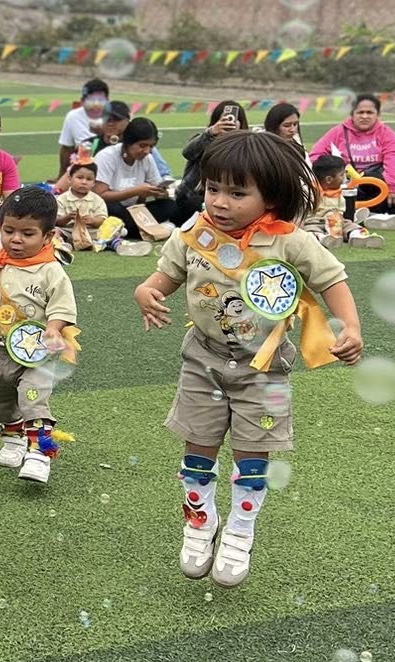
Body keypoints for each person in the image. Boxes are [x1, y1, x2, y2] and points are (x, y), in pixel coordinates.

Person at [133, 130, 364, 587]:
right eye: (213, 188)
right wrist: (146, 293)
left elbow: (331, 280)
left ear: (270, 196)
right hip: (203, 360)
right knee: (197, 448)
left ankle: (240, 529)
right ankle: (200, 520)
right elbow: (162, 279)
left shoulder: (290, 241)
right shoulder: (192, 235)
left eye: (238, 193)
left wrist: (351, 326)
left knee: (252, 455)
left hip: (264, 366)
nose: (220, 202)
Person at [0, 185, 79, 485]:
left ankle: (40, 451)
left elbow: (62, 307)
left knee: (33, 396)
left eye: (27, 233)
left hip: (39, 353)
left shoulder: (51, 271)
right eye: (9, 230)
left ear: (48, 237)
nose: (16, 239)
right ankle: (13, 435)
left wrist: (53, 327)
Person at [309, 93, 395, 214]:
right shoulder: (338, 132)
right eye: (360, 112)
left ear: (378, 114)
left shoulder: (386, 132)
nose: (364, 116)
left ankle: (361, 211)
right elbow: (316, 155)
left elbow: (394, 158)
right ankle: (393, 210)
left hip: (378, 181)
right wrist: (332, 172)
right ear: (352, 114)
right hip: (348, 181)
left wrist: (393, 187)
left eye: (369, 112)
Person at [95, 116, 182, 242]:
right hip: (112, 210)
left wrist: (160, 192)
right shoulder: (107, 157)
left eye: (151, 146)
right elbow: (99, 195)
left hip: (135, 211)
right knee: (113, 208)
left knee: (170, 206)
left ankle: (133, 230)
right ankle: (152, 229)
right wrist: (135, 191)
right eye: (142, 145)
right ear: (129, 142)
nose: (147, 151)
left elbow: (155, 185)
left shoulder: (148, 159)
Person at [173, 101, 248, 217]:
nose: (229, 122)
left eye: (234, 119)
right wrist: (211, 133)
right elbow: (188, 153)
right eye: (224, 119)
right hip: (195, 195)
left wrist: (236, 138)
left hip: (229, 196)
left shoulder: (247, 145)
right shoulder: (204, 139)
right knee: (195, 205)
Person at [54, 148, 111, 250]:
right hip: (69, 230)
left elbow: (102, 219)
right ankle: (61, 245)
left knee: (114, 229)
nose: (84, 182)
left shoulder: (97, 199)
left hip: (90, 230)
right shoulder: (62, 199)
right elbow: (56, 221)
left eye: (89, 179)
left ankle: (115, 243)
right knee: (55, 230)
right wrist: (67, 217)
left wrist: (93, 220)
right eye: (80, 177)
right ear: (69, 179)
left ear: (94, 183)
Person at [56, 79, 111, 175]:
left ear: (107, 100)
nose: (96, 104)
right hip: (83, 168)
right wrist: (60, 175)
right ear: (82, 101)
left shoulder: (117, 117)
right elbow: (67, 148)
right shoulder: (73, 116)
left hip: (111, 166)